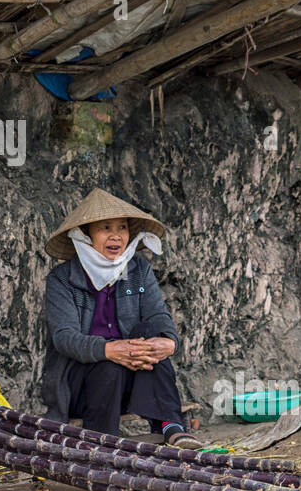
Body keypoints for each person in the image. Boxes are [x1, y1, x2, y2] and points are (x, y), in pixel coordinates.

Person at [41, 188, 198, 447]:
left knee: (149, 335)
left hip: (133, 380)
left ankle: (171, 424)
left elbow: (158, 314)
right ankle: (104, 442)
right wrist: (109, 349)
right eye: (105, 228)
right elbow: (64, 338)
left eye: (122, 228)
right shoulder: (62, 279)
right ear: (86, 235)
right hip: (80, 391)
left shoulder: (137, 269)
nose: (116, 236)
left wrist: (169, 342)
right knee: (108, 363)